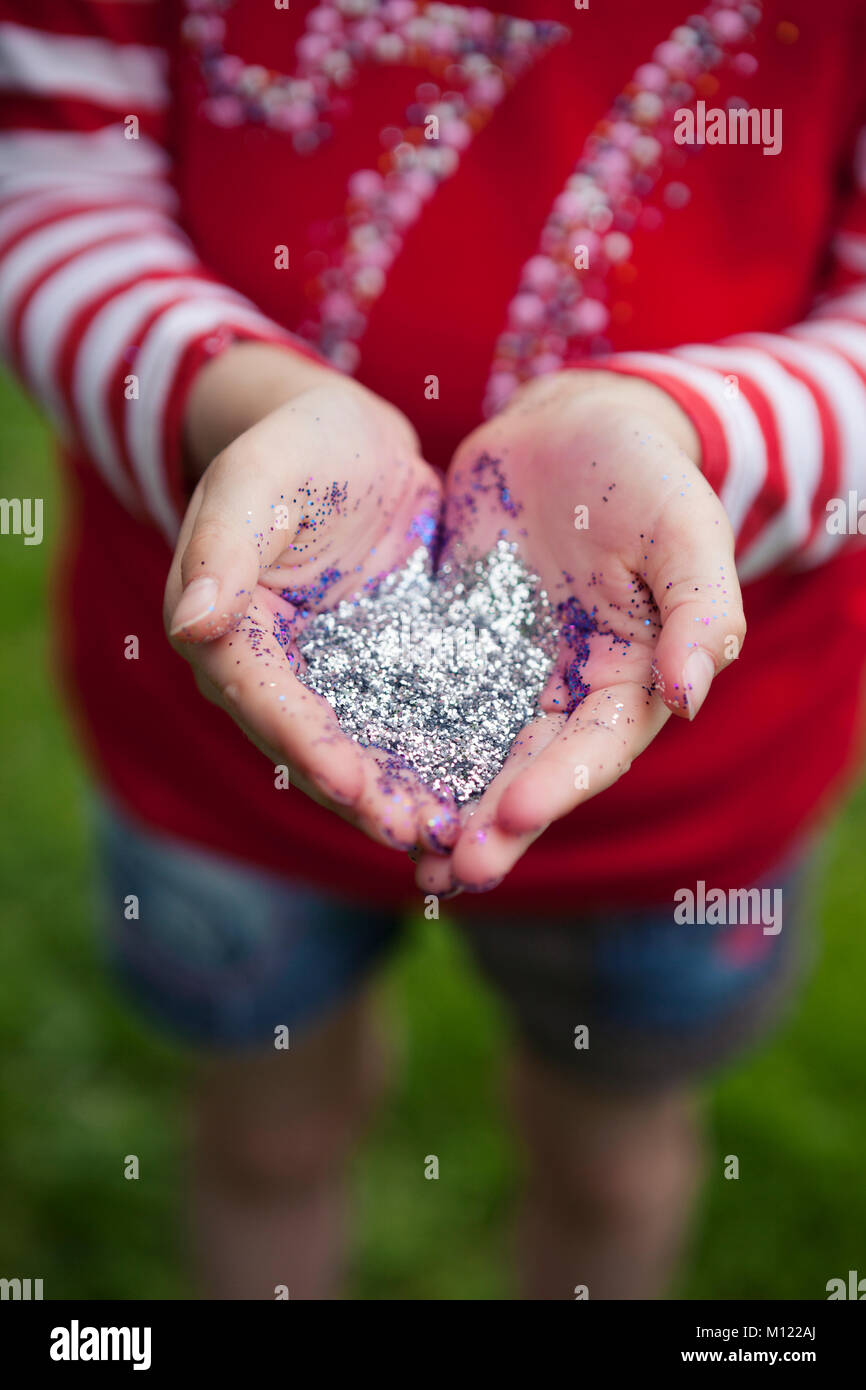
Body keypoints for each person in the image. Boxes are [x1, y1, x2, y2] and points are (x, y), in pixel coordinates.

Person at [2, 0, 865, 1299]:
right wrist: (242, 406)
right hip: (233, 739)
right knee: (266, 1131)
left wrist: (682, 432)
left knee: (610, 1159)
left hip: (676, 782)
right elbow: (51, 198)